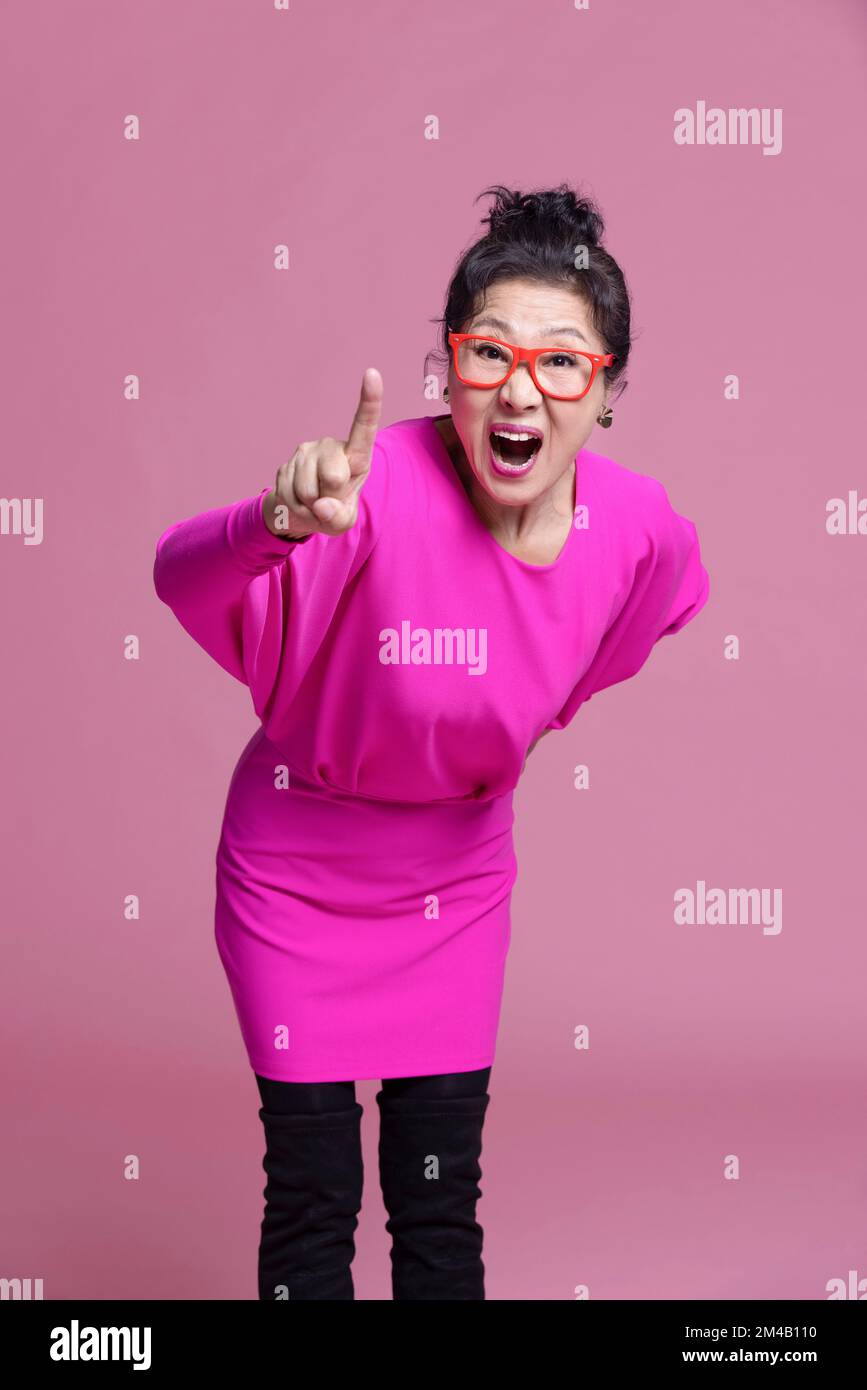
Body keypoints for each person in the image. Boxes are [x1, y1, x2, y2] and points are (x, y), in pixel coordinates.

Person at [152, 182, 711, 1301]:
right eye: (486, 351)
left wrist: (532, 710)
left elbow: (643, 618)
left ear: (605, 394)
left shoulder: (637, 526)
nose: (520, 387)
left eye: (563, 361)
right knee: (312, 1191)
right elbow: (177, 575)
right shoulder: (371, 489)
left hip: (456, 884)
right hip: (294, 870)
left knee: (438, 1199)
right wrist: (275, 520)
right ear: (448, 368)